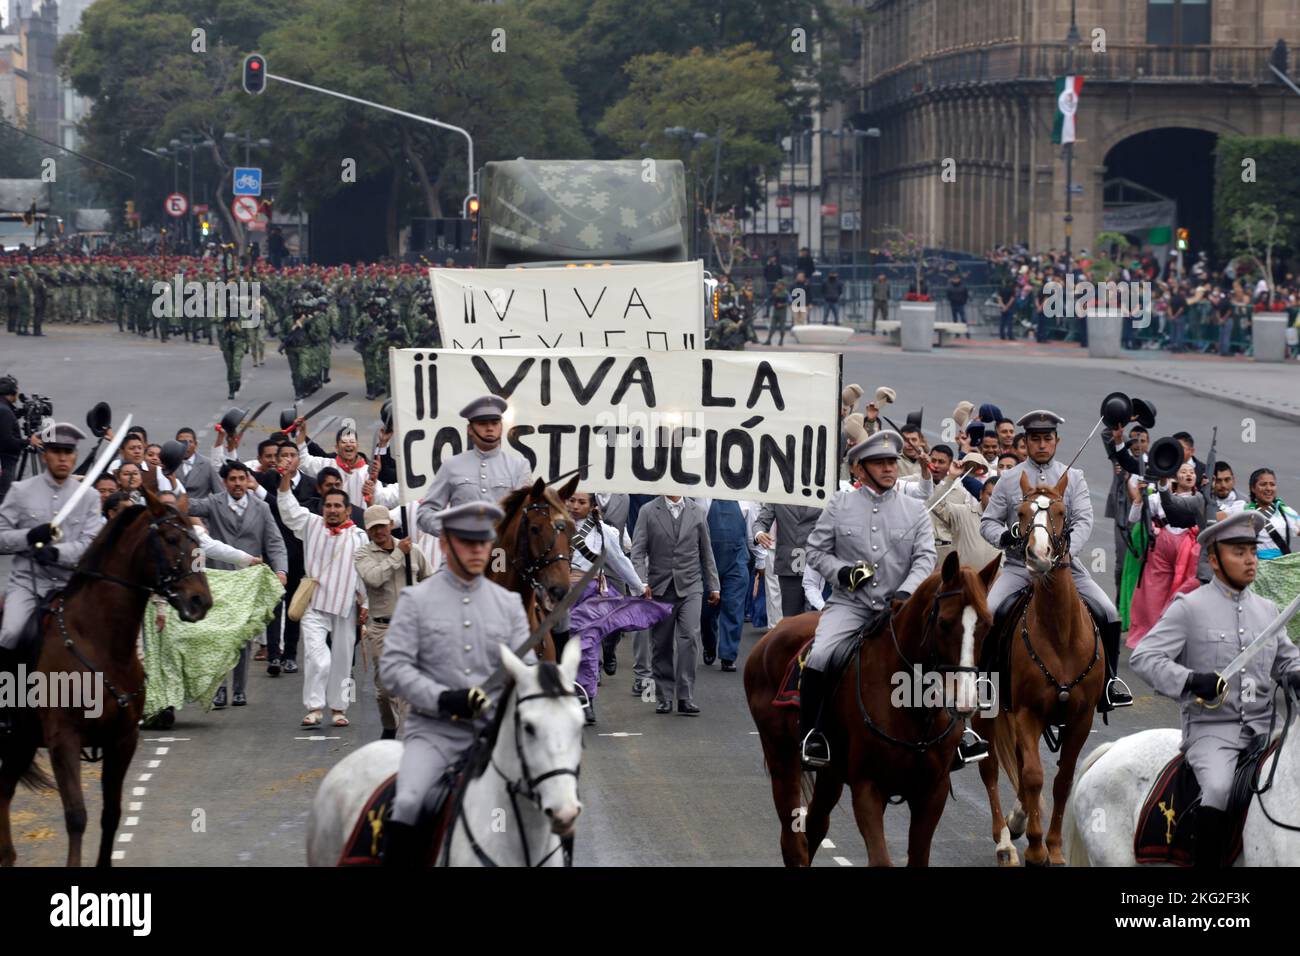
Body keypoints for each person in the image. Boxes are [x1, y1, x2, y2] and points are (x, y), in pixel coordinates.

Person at [1129, 511, 1300, 867]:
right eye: (1238, 552)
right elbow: (1144, 657)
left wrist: (1296, 673)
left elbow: (1287, 660)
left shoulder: (1268, 610)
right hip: (1212, 733)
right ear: (1214, 558)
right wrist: (1190, 680)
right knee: (1219, 789)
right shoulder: (1189, 607)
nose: (1250, 560)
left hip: (1265, 731)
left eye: (1252, 551)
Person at [378, 501, 533, 866]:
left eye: (483, 542)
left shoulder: (509, 604)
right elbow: (394, 669)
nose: (478, 550)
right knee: (409, 801)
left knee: (551, 800)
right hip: (434, 734)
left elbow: (525, 670)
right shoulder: (416, 600)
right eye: (467, 542)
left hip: (496, 737)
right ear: (446, 545)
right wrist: (444, 698)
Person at [800, 430, 936, 768]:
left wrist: (908, 591)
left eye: (892, 462)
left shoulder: (914, 510)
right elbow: (816, 552)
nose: (890, 468)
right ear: (860, 469)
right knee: (820, 656)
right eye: (880, 463)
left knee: (943, 655)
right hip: (851, 605)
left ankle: (955, 734)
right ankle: (813, 735)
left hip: (901, 607)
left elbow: (925, 558)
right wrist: (842, 573)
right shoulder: (839, 505)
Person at [980, 410, 1132, 712]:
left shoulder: (1073, 478)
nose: (1041, 445)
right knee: (990, 612)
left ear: (1056, 441)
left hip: (1065, 567)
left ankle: (1109, 683)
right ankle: (986, 682)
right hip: (1019, 568)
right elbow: (987, 523)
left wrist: (1065, 551)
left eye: (1047, 439)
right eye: (1035, 439)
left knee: (1108, 612)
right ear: (1026, 442)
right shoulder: (1009, 480)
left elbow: (1084, 520)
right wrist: (1008, 535)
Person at [0, 423, 106, 733]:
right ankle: (7, 706)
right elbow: (1, 537)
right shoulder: (21, 491)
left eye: (68, 453)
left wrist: (59, 554)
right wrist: (28, 536)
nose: (63, 458)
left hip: (73, 584)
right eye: (57, 452)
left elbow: (91, 544)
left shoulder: (88, 496)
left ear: (74, 457)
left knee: (103, 635)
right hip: (29, 582)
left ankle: (101, 706)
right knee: (10, 633)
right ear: (45, 455)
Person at [187, 461, 289, 707]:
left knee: (242, 638)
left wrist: (281, 571)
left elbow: (275, 542)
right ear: (225, 482)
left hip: (247, 582)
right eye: (232, 479)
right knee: (220, 635)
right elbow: (187, 504)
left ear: (248, 480)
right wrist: (167, 478)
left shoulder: (262, 508)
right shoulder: (213, 503)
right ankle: (220, 688)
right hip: (219, 579)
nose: (237, 484)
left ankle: (239, 689)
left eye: (241, 479)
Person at [276, 467, 369, 728]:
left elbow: (364, 573)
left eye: (338, 506)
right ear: (323, 508)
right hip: (314, 605)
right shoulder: (311, 524)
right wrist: (285, 479)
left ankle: (339, 709)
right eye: (328, 505)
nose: (332, 510)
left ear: (348, 510)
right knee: (319, 658)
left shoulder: (359, 536)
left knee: (341, 660)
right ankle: (315, 707)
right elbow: (288, 508)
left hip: (345, 606)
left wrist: (367, 603)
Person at [631, 495, 720, 716]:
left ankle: (685, 696)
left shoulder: (697, 511)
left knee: (689, 637)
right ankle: (664, 696)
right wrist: (641, 582)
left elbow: (706, 552)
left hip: (691, 585)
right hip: (659, 588)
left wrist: (714, 585)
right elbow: (638, 551)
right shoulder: (648, 511)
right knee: (661, 644)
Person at [355, 504, 433, 739]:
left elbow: (429, 580)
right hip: (381, 627)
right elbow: (374, 578)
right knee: (386, 689)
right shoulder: (363, 555)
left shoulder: (414, 550)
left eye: (382, 526)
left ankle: (409, 739)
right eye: (373, 528)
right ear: (367, 531)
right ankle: (390, 726)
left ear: (390, 525)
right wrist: (400, 554)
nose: (379, 531)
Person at [415, 395, 532, 535]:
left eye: (495, 423)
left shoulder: (519, 466)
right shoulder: (451, 466)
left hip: (501, 553)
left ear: (501, 426)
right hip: (460, 553)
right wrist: (453, 532)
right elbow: (425, 512)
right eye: (482, 423)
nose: (489, 428)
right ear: (470, 429)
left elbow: (527, 513)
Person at [753, 502, 822, 619]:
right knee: (791, 617)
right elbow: (760, 522)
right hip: (788, 565)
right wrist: (759, 534)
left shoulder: (826, 493)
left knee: (819, 616)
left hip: (818, 564)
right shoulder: (779, 496)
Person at [1242, 468, 1299, 559]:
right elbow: (1213, 519)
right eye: (1263, 484)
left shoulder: (1287, 512)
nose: (1268, 488)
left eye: (1272, 484)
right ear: (1253, 488)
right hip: (1252, 567)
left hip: (1281, 569)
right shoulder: (1242, 511)